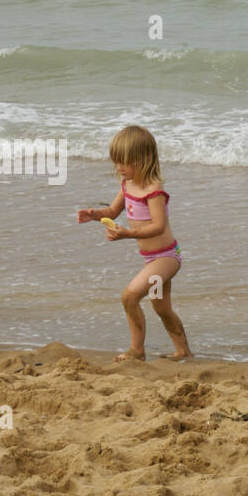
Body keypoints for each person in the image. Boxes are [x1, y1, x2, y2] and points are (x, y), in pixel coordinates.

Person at [77, 125, 192, 362]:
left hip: (166, 258)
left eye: (125, 162)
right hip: (152, 259)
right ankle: (183, 352)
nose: (120, 168)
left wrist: (128, 234)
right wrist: (95, 214)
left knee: (129, 296)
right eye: (117, 162)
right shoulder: (126, 185)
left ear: (144, 160)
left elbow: (158, 226)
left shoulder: (153, 191)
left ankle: (136, 350)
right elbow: (113, 210)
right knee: (161, 307)